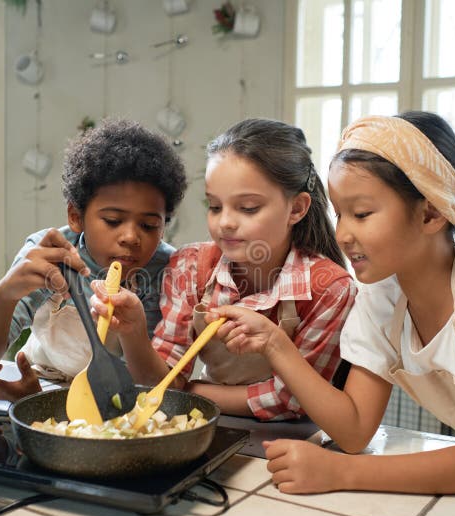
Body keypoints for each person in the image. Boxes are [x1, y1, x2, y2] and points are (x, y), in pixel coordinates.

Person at [209, 111, 455, 494]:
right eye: (340, 214)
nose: (343, 234)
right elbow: (356, 428)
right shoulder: (381, 300)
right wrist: (277, 345)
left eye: (361, 214)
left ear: (430, 213)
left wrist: (340, 473)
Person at [91, 118, 356, 420]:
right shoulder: (189, 266)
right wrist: (134, 330)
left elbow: (291, 400)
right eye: (215, 206)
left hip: (293, 438)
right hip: (205, 423)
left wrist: (187, 392)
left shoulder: (330, 289)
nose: (225, 222)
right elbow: (159, 380)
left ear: (296, 209)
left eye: (248, 208)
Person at [0, 118, 187, 402]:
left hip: (124, 401)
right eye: (113, 220)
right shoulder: (47, 253)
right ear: (76, 216)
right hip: (42, 383)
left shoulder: (168, 269)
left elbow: (155, 385)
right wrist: (3, 295)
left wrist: (134, 329)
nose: (131, 236)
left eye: (149, 226)